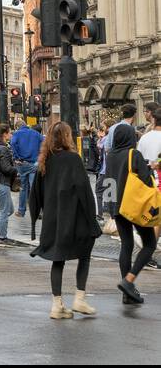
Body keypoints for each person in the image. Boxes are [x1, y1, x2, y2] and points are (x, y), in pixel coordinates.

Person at [30, 122, 100, 319]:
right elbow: (84, 191)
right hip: (75, 217)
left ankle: (57, 305)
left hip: (53, 219)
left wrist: (35, 221)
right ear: (67, 137)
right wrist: (92, 220)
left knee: (57, 258)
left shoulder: (45, 160)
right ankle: (79, 298)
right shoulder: (73, 159)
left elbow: (35, 194)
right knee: (84, 254)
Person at [105, 119, 157, 305]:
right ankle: (129, 281)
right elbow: (146, 180)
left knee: (126, 245)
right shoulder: (133, 154)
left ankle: (127, 293)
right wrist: (150, 169)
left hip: (117, 207)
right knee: (149, 244)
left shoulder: (110, 155)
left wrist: (111, 209)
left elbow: (108, 181)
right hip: (133, 206)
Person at [10, 118, 43, 219]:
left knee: (23, 188)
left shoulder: (16, 134)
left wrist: (17, 157)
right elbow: (44, 143)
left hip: (22, 164)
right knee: (34, 188)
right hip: (34, 163)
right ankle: (38, 211)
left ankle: (21, 211)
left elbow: (12, 144)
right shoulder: (36, 133)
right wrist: (39, 155)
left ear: (17, 127)